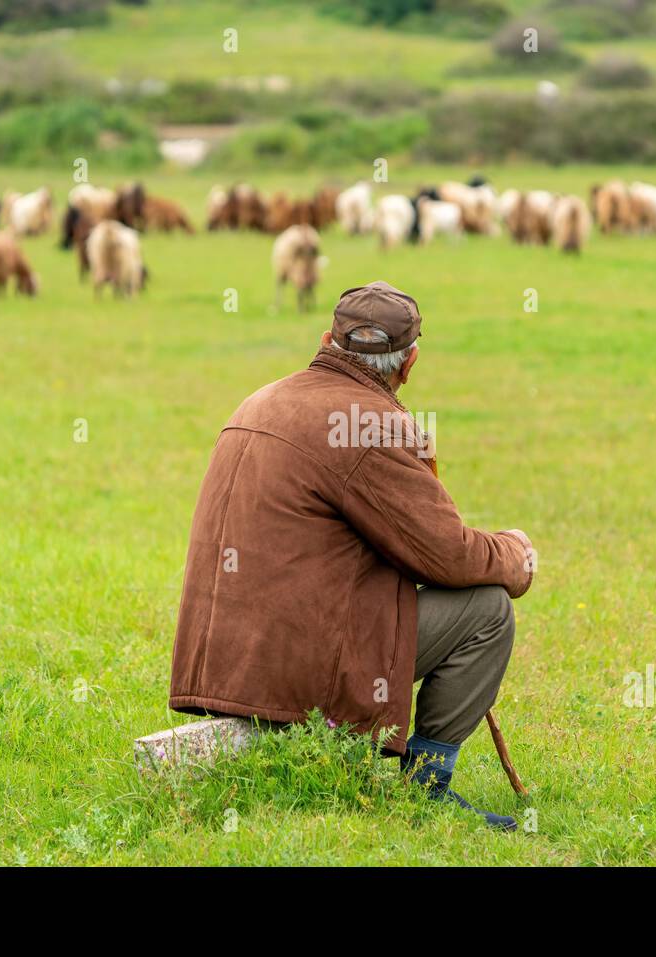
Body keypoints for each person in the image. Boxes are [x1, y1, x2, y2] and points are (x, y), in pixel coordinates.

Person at [170, 280, 534, 829]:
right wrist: (514, 554)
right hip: (294, 674)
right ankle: (424, 790)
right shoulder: (369, 425)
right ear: (409, 363)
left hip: (223, 667)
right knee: (486, 610)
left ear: (326, 340)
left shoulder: (262, 397)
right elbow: (448, 557)